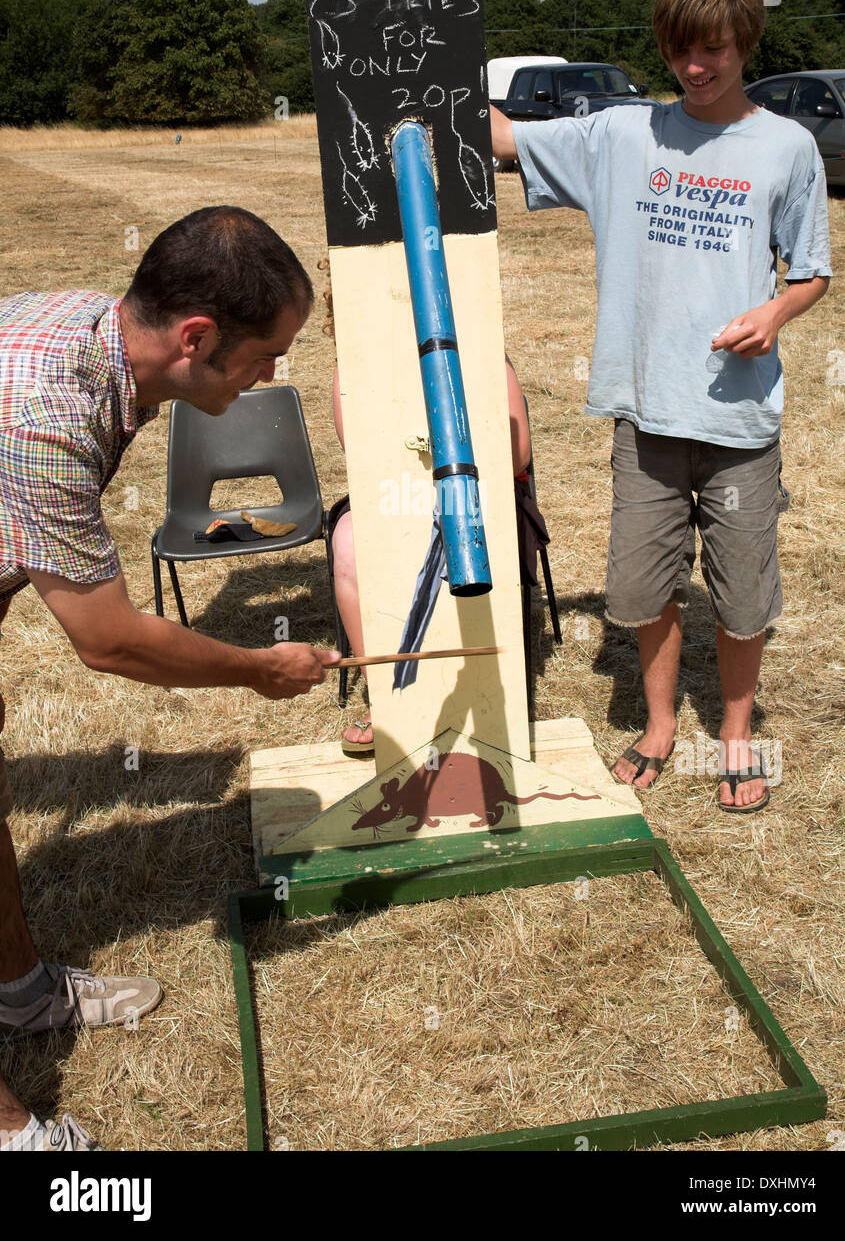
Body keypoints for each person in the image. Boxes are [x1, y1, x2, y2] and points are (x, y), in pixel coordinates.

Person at [0, 206, 341, 1151]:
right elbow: (108, 638)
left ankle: (21, 994)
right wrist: (259, 670)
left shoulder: (98, 338)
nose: (275, 373)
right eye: (267, 353)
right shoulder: (49, 412)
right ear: (197, 338)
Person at [491, 0, 831, 814]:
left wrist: (774, 314)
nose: (694, 65)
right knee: (641, 587)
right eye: (680, 47)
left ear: (745, 36)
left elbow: (813, 272)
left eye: (712, 47)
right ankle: (658, 727)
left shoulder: (788, 148)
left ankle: (739, 732)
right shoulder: (621, 133)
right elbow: (501, 137)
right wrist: (411, 65)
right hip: (645, 418)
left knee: (743, 591)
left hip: (739, 422)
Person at [321, 274, 545, 752]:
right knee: (347, 545)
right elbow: (361, 454)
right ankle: (385, 694)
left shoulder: (484, 353)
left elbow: (517, 454)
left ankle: (485, 687)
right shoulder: (354, 367)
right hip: (393, 492)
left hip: (483, 490)